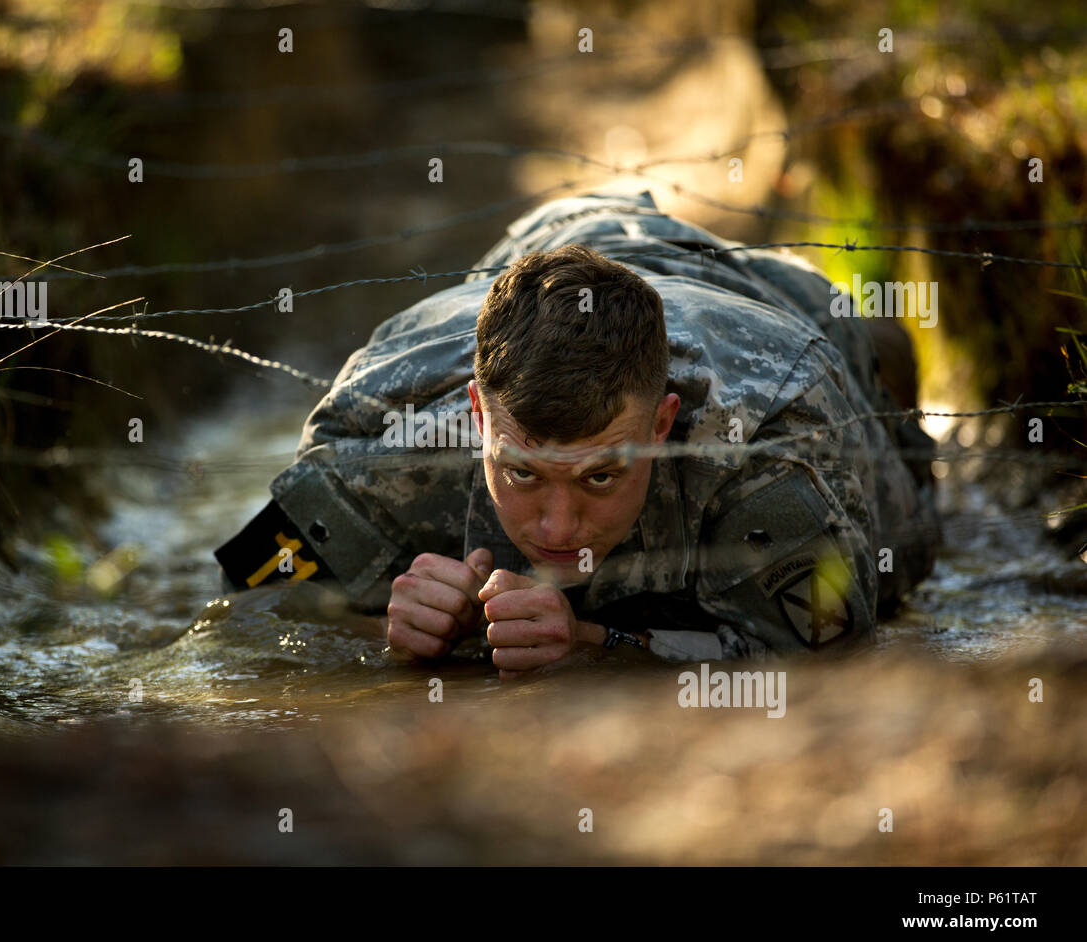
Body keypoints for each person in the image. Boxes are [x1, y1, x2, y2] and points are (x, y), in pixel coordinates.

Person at [214, 185, 940, 677]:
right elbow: (240, 600)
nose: (558, 526)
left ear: (662, 425)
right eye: (523, 473)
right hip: (546, 245)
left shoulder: (766, 439)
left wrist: (597, 646)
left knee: (894, 451)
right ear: (475, 418)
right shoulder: (385, 434)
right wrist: (385, 628)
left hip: (765, 299)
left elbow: (827, 661)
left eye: (601, 476)